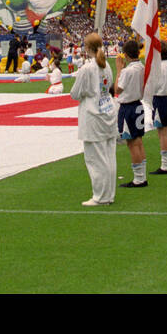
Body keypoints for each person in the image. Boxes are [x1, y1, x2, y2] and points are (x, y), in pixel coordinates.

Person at [71, 33, 116, 206]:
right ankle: (109, 194)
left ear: (87, 47)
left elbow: (75, 93)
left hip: (92, 114)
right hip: (107, 111)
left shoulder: (88, 68)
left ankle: (100, 196)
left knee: (95, 159)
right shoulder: (106, 66)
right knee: (109, 156)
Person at [115, 38, 148, 188]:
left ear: (126, 54)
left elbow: (117, 90)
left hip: (128, 107)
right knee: (139, 141)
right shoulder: (141, 67)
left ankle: (138, 178)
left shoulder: (127, 71)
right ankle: (142, 175)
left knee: (132, 143)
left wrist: (118, 71)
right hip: (138, 105)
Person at [144, 39, 167, 174]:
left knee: (162, 133)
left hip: (162, 99)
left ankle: (165, 165)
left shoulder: (158, 68)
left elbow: (154, 86)